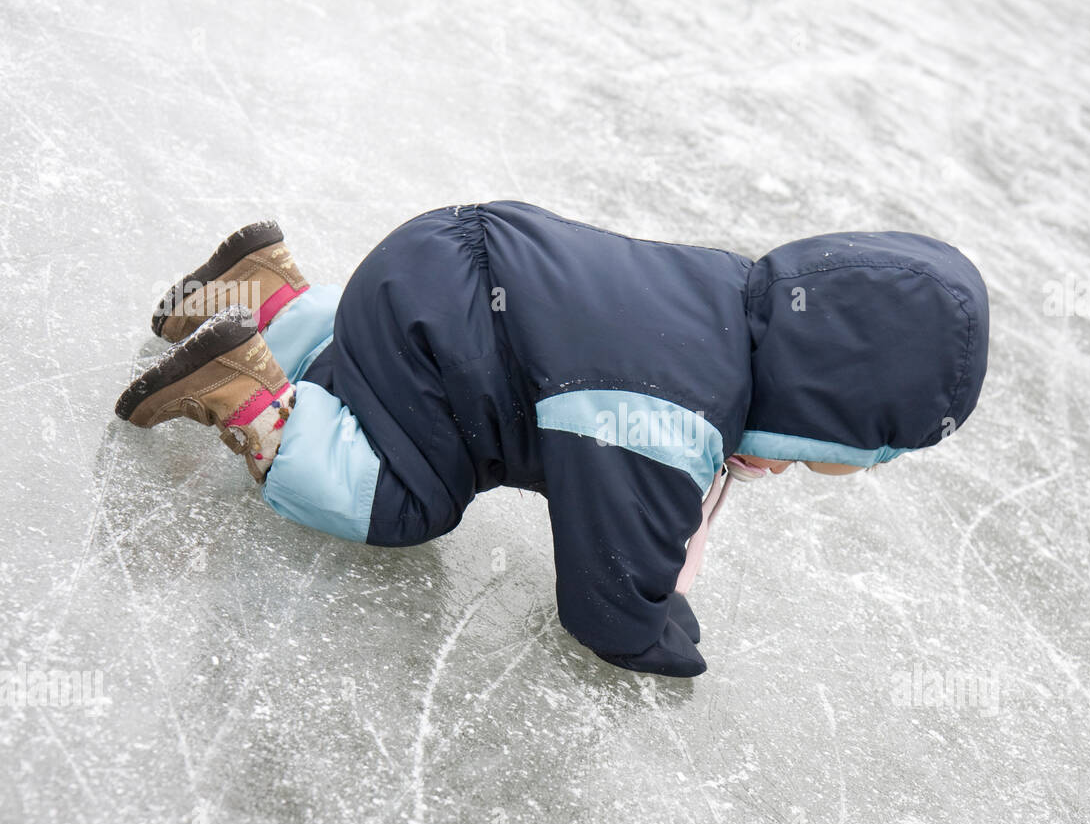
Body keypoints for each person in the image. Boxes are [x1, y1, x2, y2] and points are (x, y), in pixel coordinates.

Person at [116, 202, 989, 677]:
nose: (781, 468)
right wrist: (651, 634)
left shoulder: (726, 296)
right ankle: (243, 396)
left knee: (366, 370)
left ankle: (262, 294)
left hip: (439, 269)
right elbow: (608, 584)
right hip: (444, 352)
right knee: (403, 497)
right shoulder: (671, 417)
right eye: (803, 452)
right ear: (818, 410)